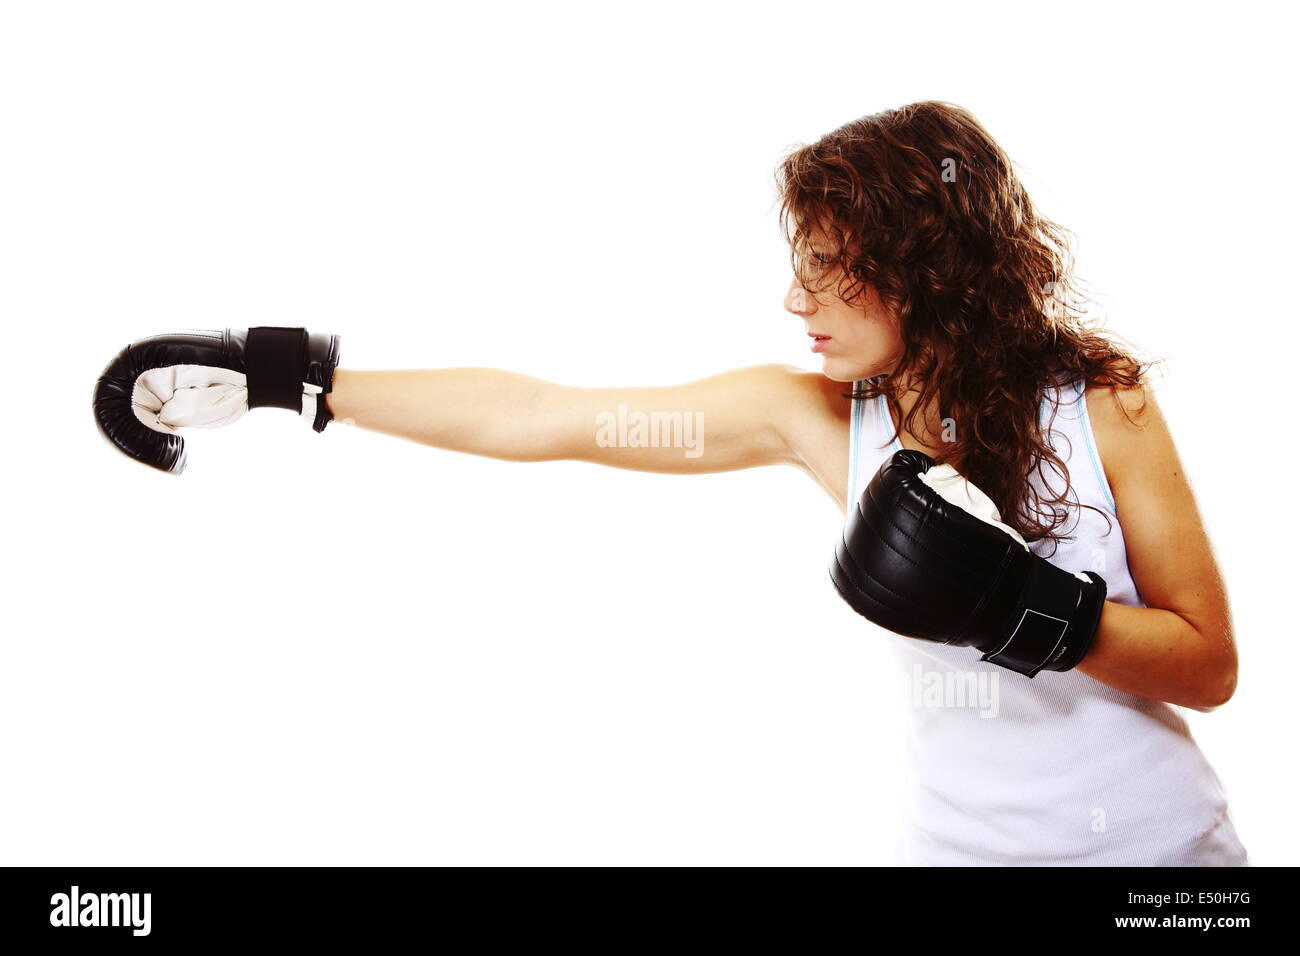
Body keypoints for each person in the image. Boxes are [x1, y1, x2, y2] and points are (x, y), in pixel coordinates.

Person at [93, 101, 1247, 866]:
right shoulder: (814, 420)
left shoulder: (1098, 401)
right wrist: (292, 378)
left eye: (831, 275)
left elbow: (1209, 665)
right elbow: (546, 415)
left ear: (922, 268)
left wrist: (1023, 608)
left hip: (1161, 863)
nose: (798, 305)